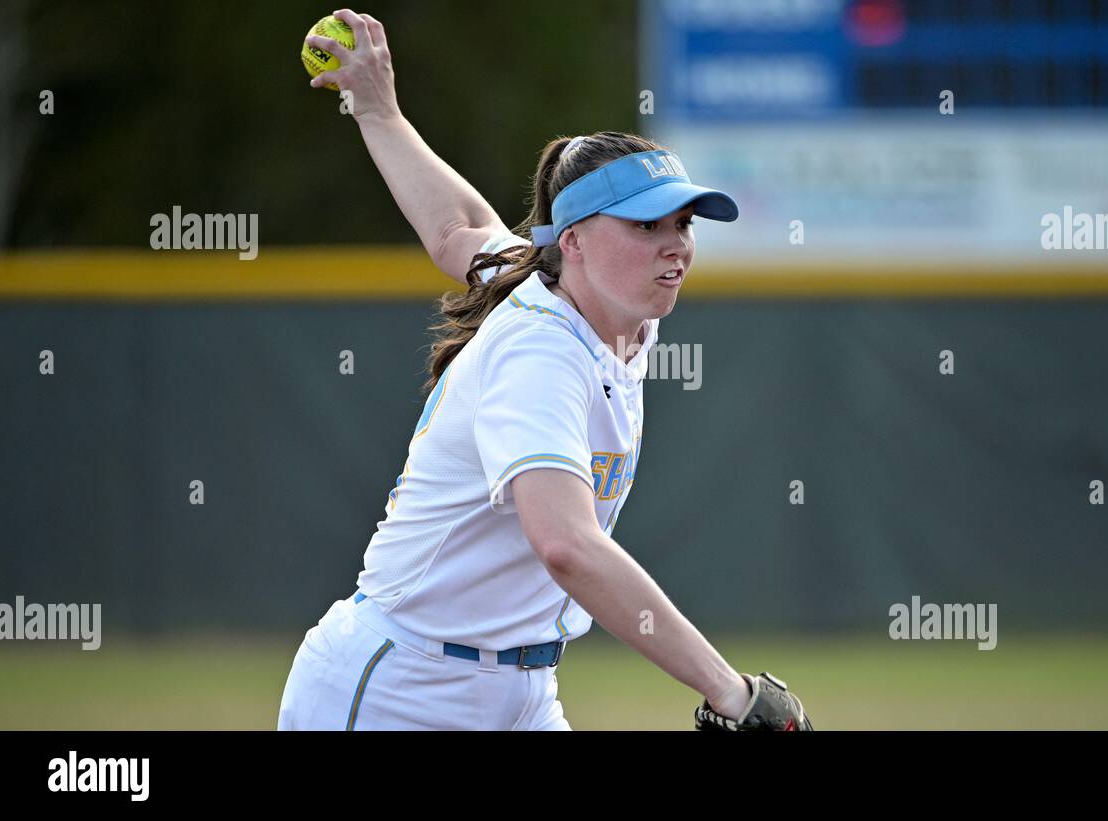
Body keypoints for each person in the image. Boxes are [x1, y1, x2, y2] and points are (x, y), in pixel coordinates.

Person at [277, 8, 809, 731]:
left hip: (522, 692)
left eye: (683, 223)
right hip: (403, 693)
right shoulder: (540, 351)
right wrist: (729, 690)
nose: (675, 245)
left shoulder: (605, 308)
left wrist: (377, 110)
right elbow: (568, 546)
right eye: (646, 224)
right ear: (576, 240)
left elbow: (453, 227)